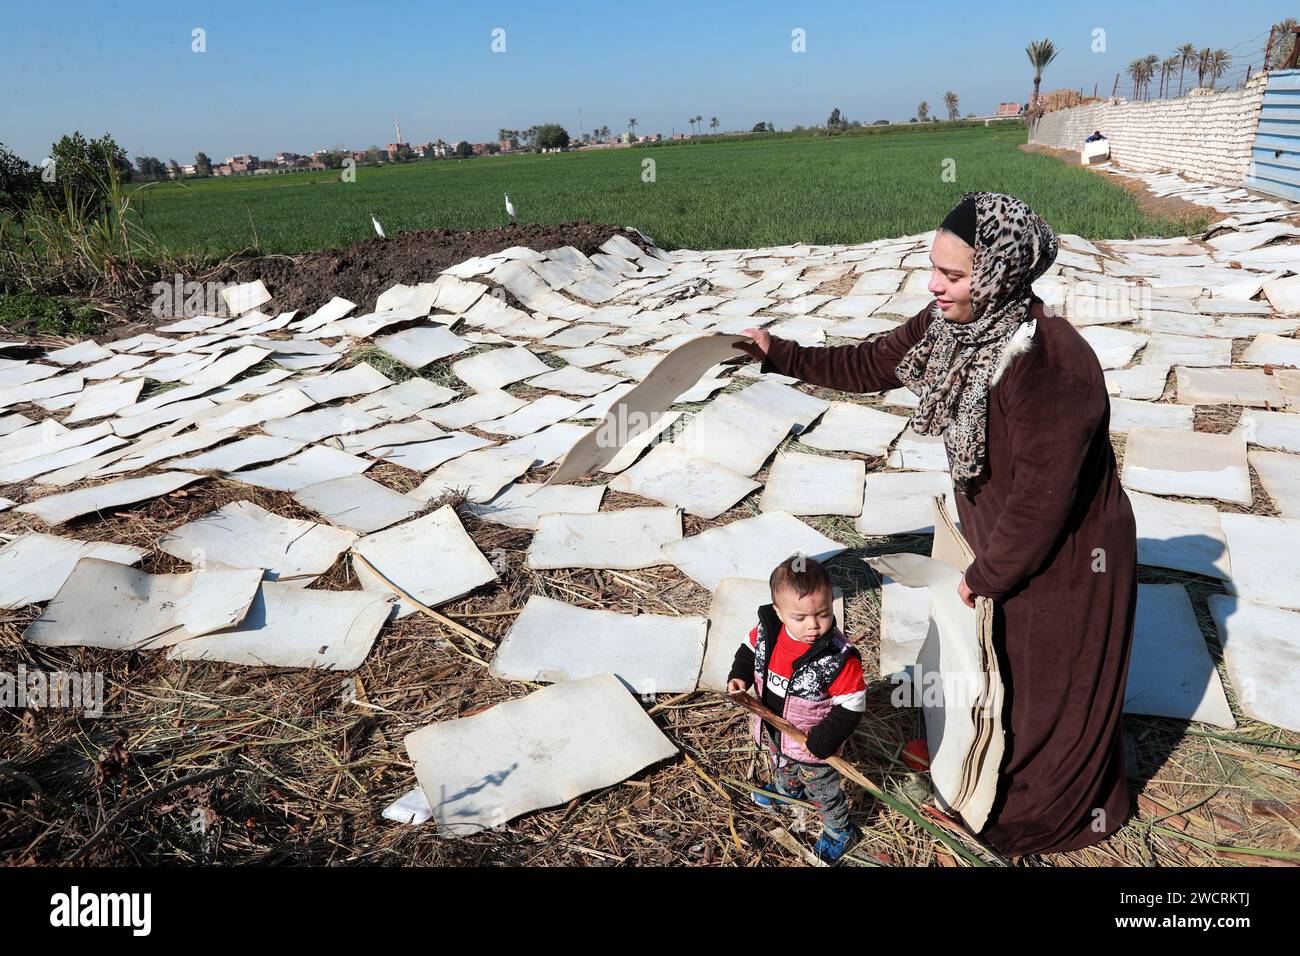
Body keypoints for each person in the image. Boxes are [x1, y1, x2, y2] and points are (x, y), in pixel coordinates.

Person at [737, 191, 1137, 858]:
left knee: (1044, 689)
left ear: (1000, 274)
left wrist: (986, 575)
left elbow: (1044, 501)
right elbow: (869, 363)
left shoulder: (1051, 362)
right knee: (993, 663)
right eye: (935, 269)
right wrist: (779, 352)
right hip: (1002, 534)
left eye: (952, 275)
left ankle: (1030, 818)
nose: (935, 285)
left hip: (1068, 557)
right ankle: (976, 767)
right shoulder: (951, 327)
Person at [728, 554, 866, 863]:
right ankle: (787, 790)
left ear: (832, 603)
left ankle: (840, 830)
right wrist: (739, 676)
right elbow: (748, 652)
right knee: (780, 762)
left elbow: (853, 704)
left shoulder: (838, 657)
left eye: (823, 614)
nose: (814, 626)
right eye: (800, 618)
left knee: (823, 790)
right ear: (779, 612)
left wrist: (824, 742)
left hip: (812, 743)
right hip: (775, 728)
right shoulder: (767, 632)